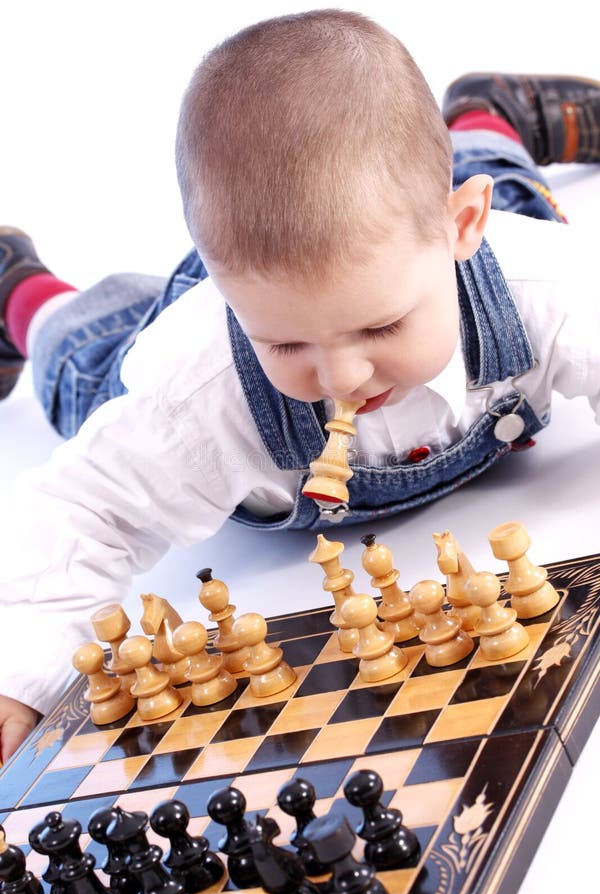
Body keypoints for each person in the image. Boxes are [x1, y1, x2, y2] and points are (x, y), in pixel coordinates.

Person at [0, 9, 599, 763]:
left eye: (381, 328)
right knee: (88, 365)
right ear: (224, 294)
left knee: (517, 198)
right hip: (189, 350)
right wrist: (20, 676)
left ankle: (484, 113)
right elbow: (85, 510)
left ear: (458, 228)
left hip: (481, 237)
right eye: (287, 343)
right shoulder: (202, 387)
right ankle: (18, 286)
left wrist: (297, 335)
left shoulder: (546, 288)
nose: (343, 377)